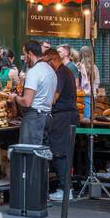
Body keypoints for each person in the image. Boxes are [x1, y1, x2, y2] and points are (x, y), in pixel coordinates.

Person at [43, 48, 79, 203]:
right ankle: (64, 188)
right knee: (62, 152)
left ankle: (65, 190)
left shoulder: (61, 74)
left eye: (46, 62)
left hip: (63, 117)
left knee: (59, 153)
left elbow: (53, 99)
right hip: (67, 116)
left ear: (53, 60)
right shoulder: (65, 72)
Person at [12, 40, 55, 146]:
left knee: (29, 154)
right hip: (47, 117)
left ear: (30, 54)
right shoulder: (50, 70)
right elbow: (53, 99)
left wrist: (14, 97)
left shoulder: (33, 71)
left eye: (24, 54)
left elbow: (27, 102)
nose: (24, 58)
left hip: (34, 118)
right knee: (41, 155)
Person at [75, 45, 100, 118]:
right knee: (88, 120)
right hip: (90, 96)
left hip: (79, 97)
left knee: (80, 119)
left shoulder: (78, 67)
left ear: (80, 55)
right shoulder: (95, 68)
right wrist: (94, 95)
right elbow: (97, 83)